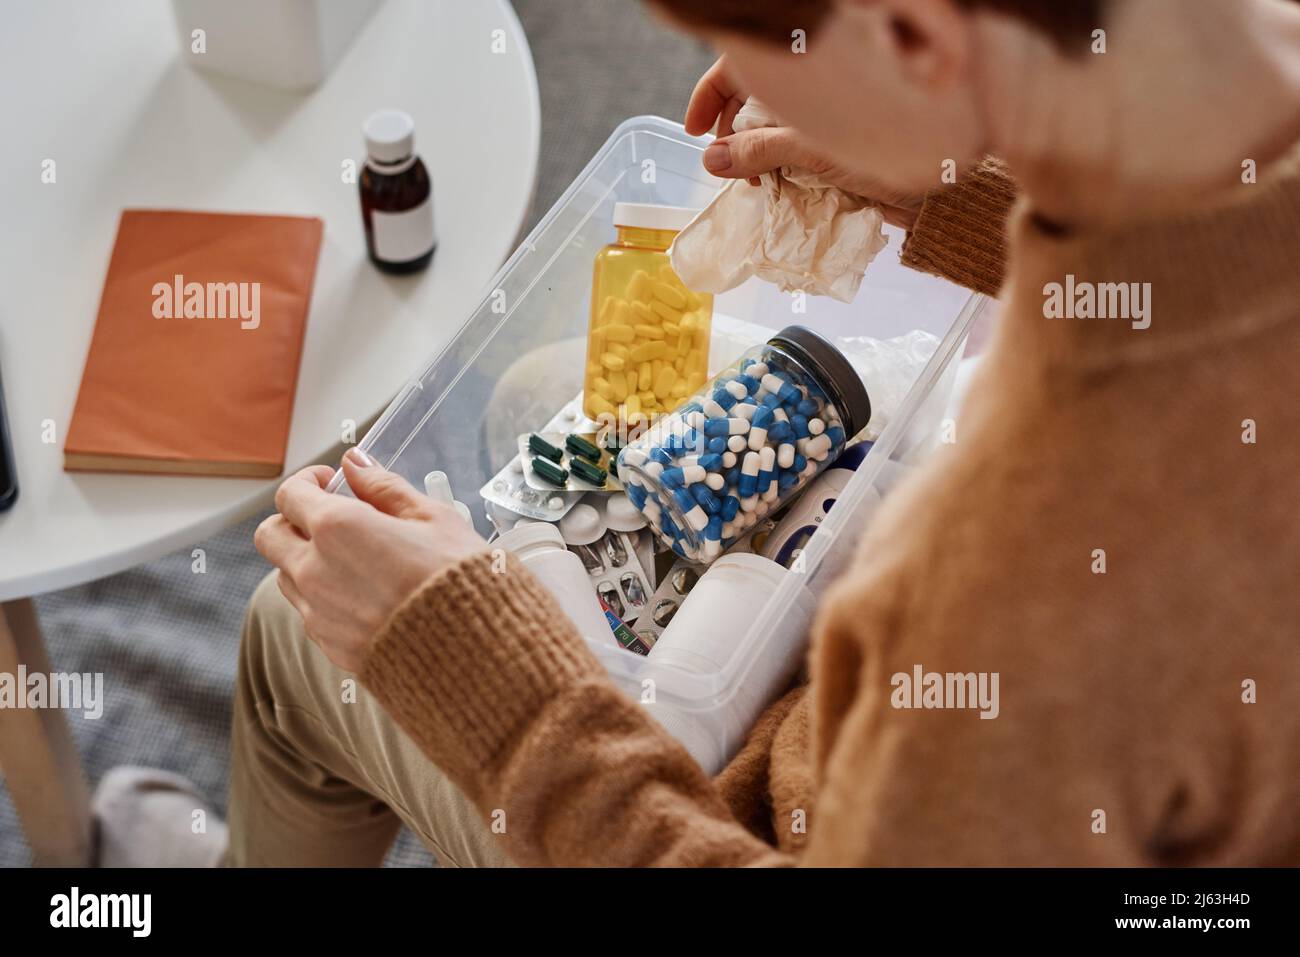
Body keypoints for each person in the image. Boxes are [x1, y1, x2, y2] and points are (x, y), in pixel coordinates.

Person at [222, 0, 1300, 866]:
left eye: (752, 45)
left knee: (290, 625)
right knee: (553, 394)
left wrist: (493, 693)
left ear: (917, 40)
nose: (742, 85)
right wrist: (960, 178)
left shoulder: (993, 602)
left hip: (750, 805)